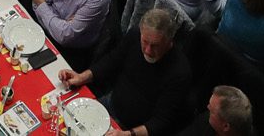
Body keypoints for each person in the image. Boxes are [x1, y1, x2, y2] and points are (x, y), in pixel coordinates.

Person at [55, 8, 194, 136]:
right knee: (61, 121)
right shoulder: (135, 34)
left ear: (169, 41)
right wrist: (81, 77)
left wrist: (127, 134)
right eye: (145, 42)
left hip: (132, 128)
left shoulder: (179, 72)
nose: (147, 50)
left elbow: (161, 122)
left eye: (155, 45)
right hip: (111, 103)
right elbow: (112, 61)